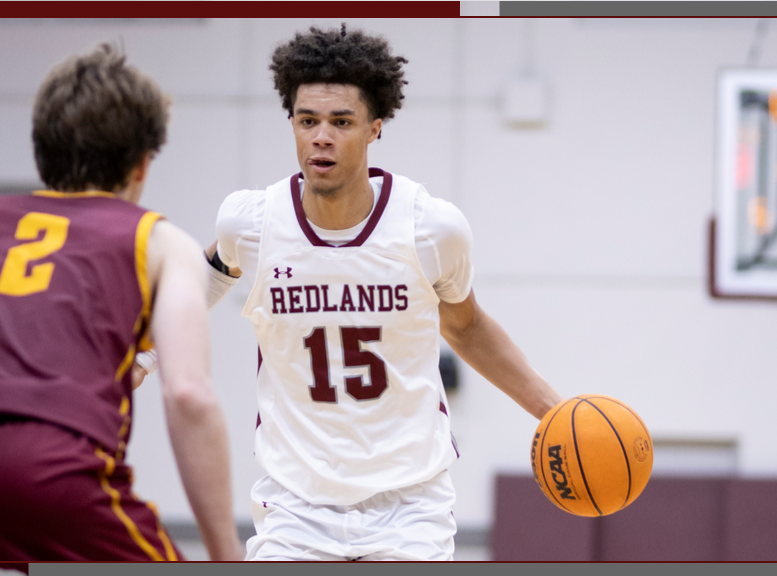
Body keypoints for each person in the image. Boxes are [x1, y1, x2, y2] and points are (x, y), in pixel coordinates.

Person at [190, 24, 566, 561]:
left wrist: (553, 410)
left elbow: (467, 325)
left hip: (409, 505)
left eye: (341, 122)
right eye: (307, 121)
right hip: (296, 504)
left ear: (375, 128)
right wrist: (147, 350)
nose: (321, 136)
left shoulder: (430, 228)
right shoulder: (253, 222)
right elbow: (208, 274)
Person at [0, 43, 242, 562]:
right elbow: (189, 397)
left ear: (41, 146)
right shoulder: (155, 240)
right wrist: (227, 555)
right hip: (57, 477)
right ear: (142, 164)